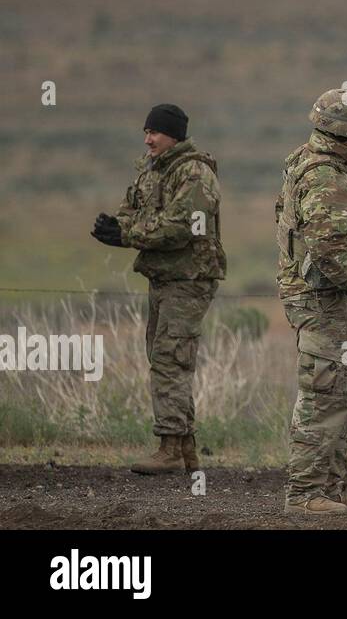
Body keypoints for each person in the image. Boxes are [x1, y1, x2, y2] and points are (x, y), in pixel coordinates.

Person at [92, 103, 225, 475]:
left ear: (175, 136)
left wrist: (128, 235)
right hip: (164, 276)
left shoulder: (195, 174)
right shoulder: (151, 170)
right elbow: (130, 211)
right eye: (146, 132)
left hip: (190, 279)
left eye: (155, 133)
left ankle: (169, 448)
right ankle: (186, 453)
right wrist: (115, 228)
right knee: (167, 358)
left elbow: (183, 227)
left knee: (170, 359)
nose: (148, 139)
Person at [276, 87, 347, 516]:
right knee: (322, 397)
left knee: (340, 395)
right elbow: (327, 249)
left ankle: (329, 491)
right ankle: (305, 496)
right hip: (321, 301)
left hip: (320, 300)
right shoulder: (327, 175)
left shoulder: (309, 162)